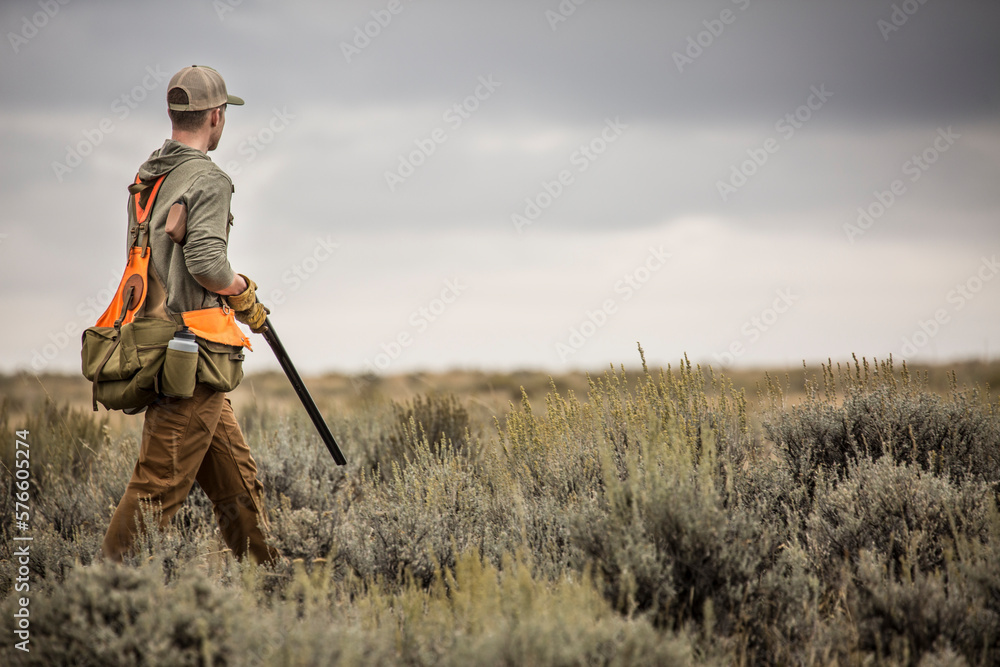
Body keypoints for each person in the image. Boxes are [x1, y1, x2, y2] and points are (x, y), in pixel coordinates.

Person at [101, 65, 278, 566]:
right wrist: (240, 289)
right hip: (190, 352)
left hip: (159, 342)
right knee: (157, 486)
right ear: (217, 117)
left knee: (236, 480)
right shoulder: (207, 178)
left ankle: (265, 576)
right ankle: (108, 595)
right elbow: (205, 263)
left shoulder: (150, 174)